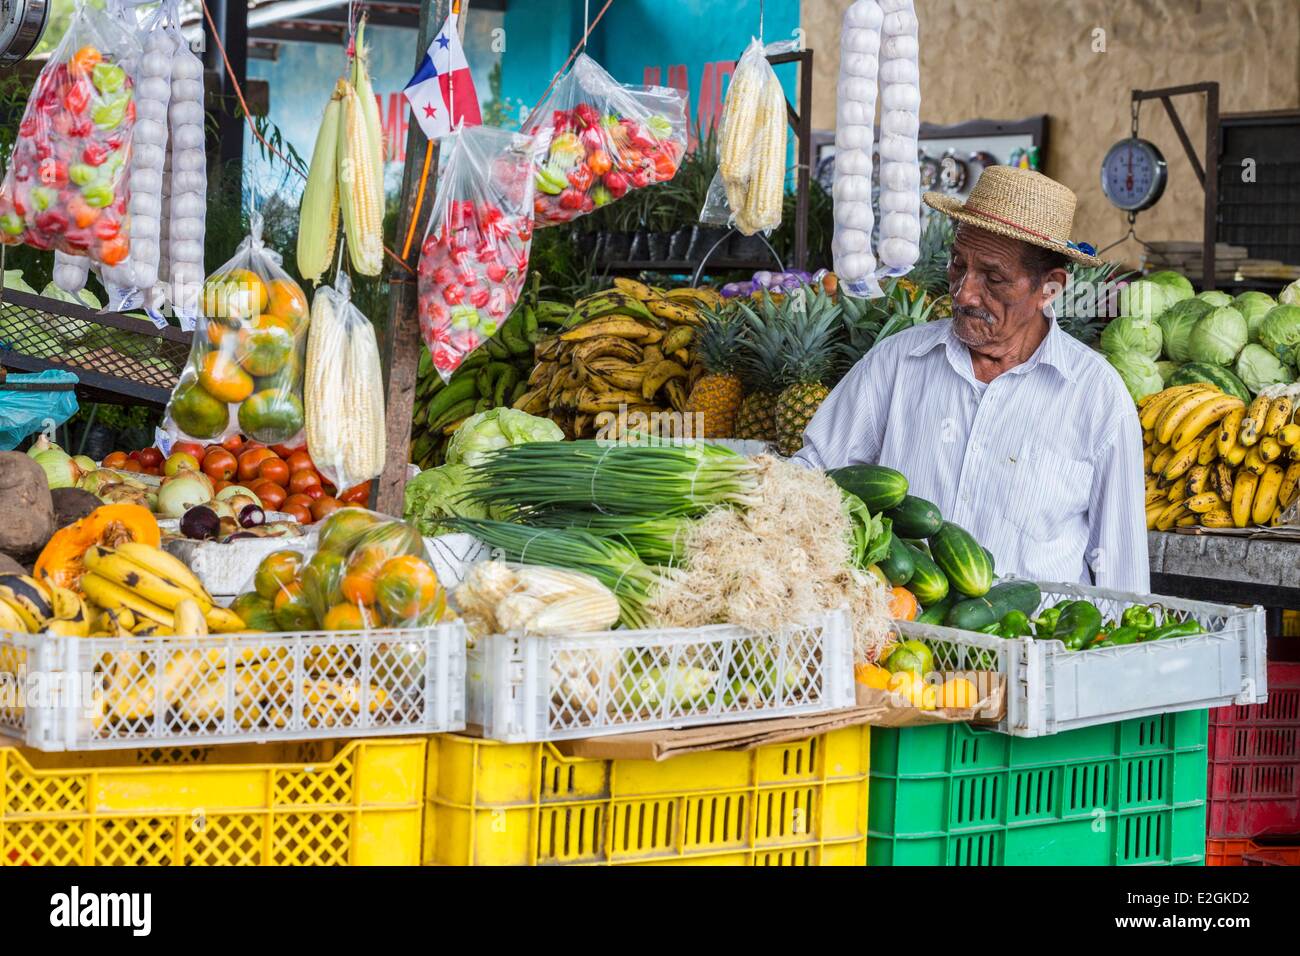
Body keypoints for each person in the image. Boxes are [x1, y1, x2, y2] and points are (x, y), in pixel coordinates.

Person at [795, 166, 1148, 591]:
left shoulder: (1097, 397)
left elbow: (1121, 571)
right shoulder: (897, 362)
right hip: (899, 642)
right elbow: (811, 478)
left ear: (1049, 289)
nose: (963, 292)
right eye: (957, 264)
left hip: (1036, 647)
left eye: (994, 278)